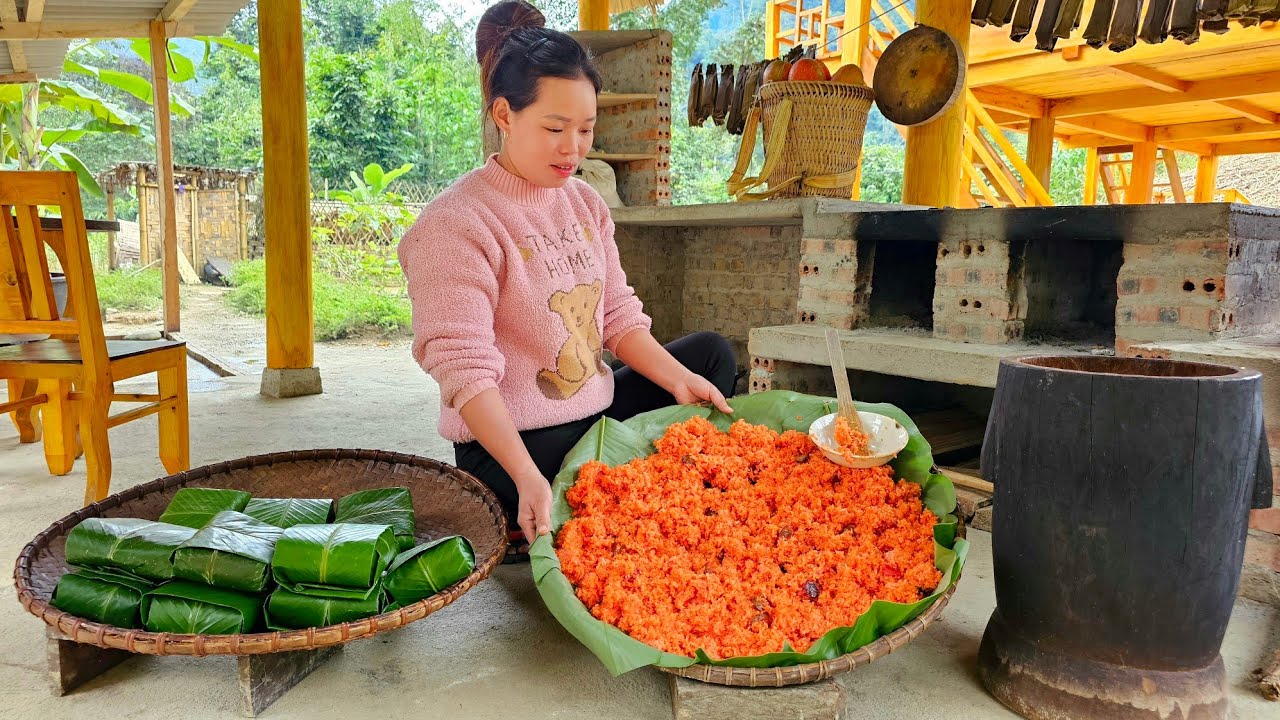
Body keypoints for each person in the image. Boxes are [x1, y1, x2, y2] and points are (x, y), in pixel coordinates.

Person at [398, 0, 737, 561]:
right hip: (517, 447)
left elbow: (617, 317)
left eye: (585, 129)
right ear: (504, 115)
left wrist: (679, 381)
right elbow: (463, 370)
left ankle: (621, 492)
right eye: (555, 128)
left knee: (709, 359)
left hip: (593, 413)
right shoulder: (454, 224)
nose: (573, 148)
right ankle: (548, 501)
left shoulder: (584, 203)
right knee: (587, 476)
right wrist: (526, 474)